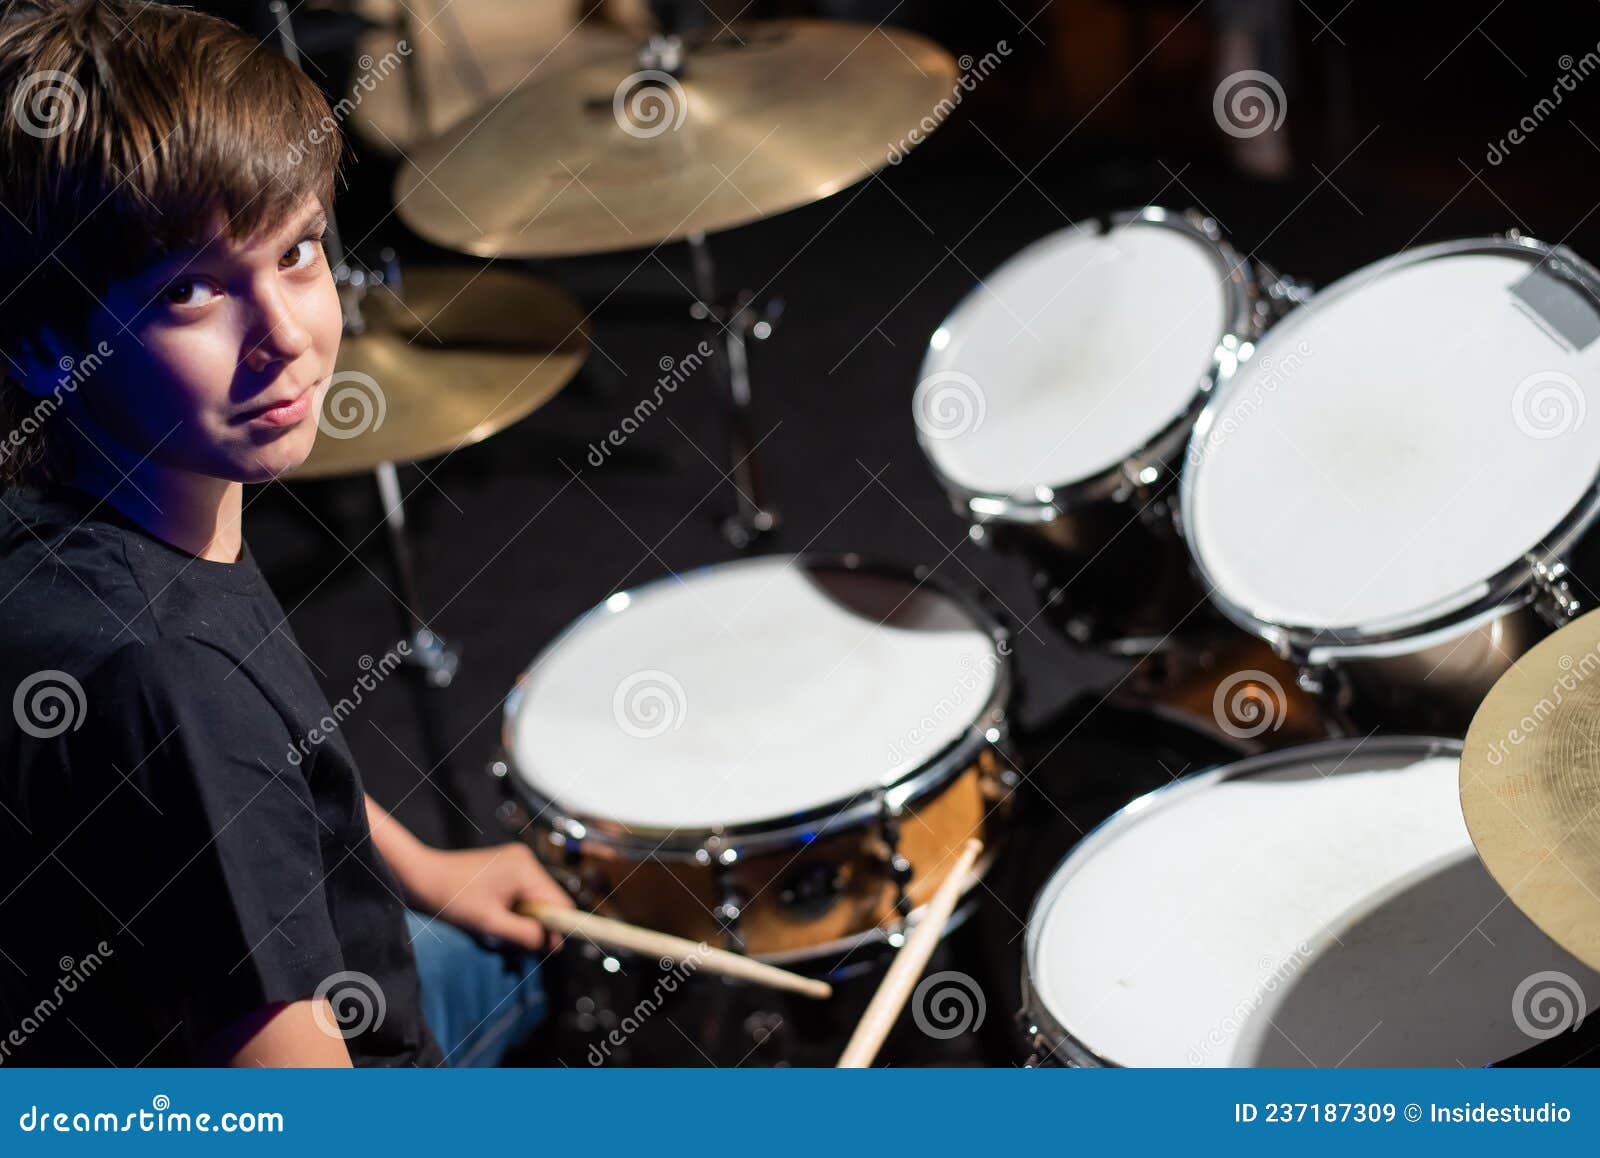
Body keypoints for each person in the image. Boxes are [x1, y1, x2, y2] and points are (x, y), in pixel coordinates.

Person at [0, 0, 573, 1066]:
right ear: (41, 342)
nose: (285, 335)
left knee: (546, 952)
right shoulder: (173, 673)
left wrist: (423, 872)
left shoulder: (111, 499)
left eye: (299, 251)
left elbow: (252, 785)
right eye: (189, 291)